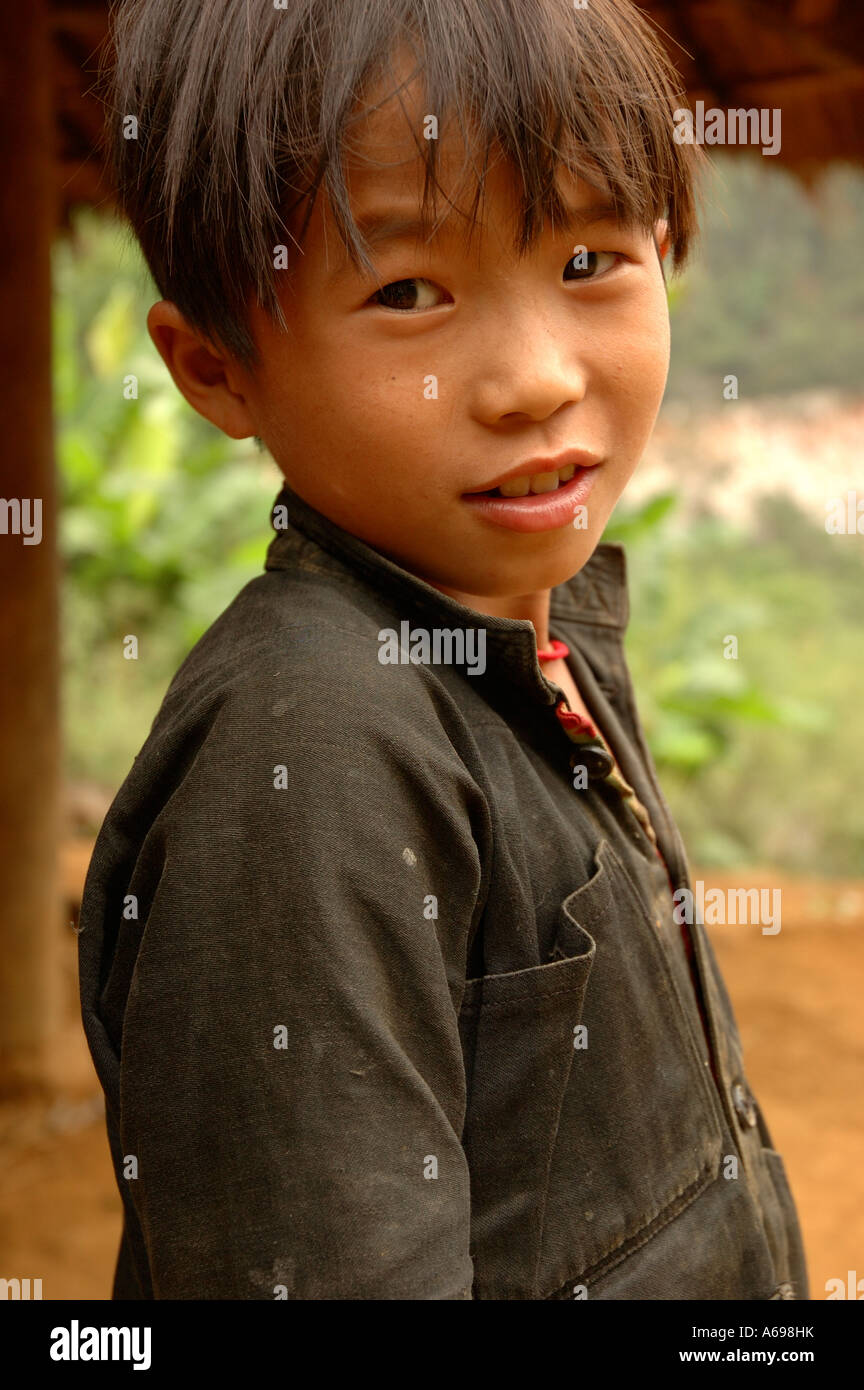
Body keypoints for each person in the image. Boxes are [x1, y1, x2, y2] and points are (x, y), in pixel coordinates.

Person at [78, 0, 809, 1300]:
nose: (534, 376)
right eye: (408, 290)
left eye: (590, 262)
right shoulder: (310, 751)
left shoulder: (539, 625)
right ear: (215, 368)